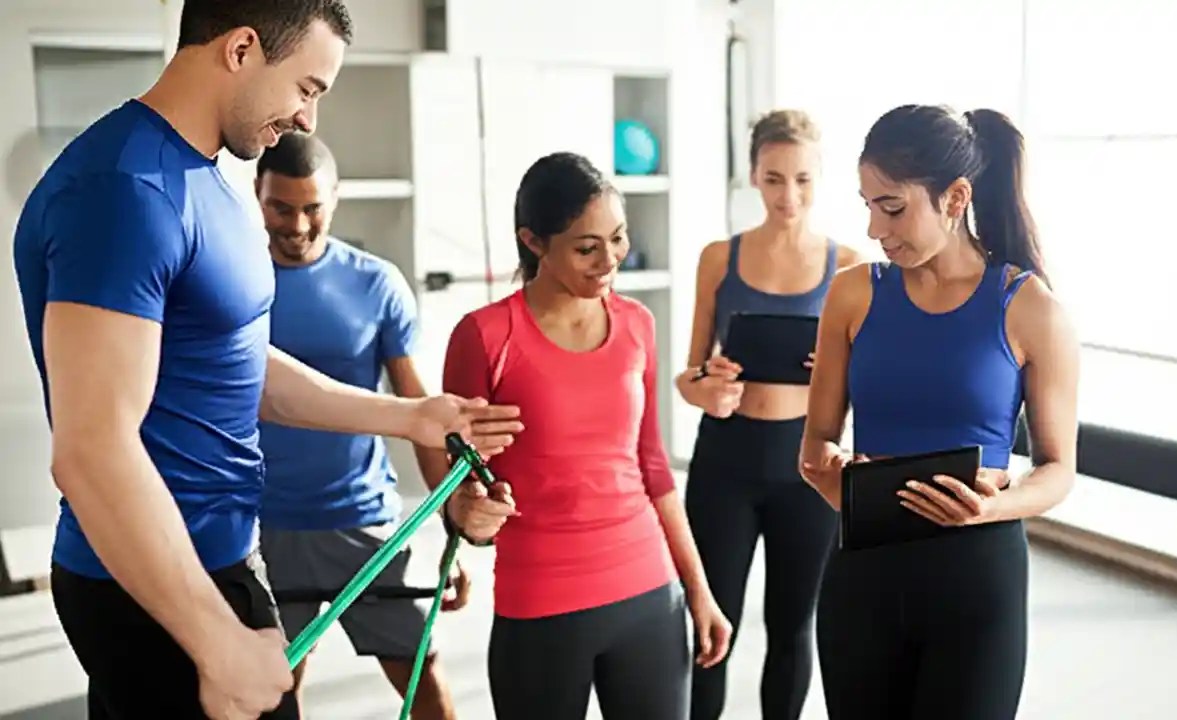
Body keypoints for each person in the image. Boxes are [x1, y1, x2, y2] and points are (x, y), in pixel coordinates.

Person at [10, 3, 520, 718]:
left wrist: (410, 416)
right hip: (152, 581)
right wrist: (213, 638)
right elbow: (92, 449)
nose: (309, 119)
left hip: (221, 557)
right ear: (242, 49)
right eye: (308, 87)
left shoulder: (208, 177)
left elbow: (238, 367)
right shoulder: (123, 192)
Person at [428, 151, 734, 720]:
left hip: (647, 592)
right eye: (586, 247)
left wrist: (699, 590)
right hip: (540, 601)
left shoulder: (638, 324)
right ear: (534, 241)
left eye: (617, 239)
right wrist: (466, 515)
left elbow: (654, 468)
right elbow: (460, 483)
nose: (609, 260)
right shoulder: (485, 336)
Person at [798, 104, 1080, 720]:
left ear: (955, 198)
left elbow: (1058, 469)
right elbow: (816, 444)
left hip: (977, 583)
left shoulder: (1031, 308)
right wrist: (837, 479)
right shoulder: (852, 292)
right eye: (868, 204)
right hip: (863, 576)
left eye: (892, 207)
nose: (875, 228)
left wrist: (993, 506)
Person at [252, 132, 471, 720]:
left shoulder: (377, 283)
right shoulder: (231, 281)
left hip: (362, 524)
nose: (297, 224)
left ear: (335, 200)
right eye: (281, 207)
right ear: (257, 194)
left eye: (312, 207)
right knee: (272, 696)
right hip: (260, 527)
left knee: (425, 684)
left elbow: (421, 413)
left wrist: (455, 531)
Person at [673, 109, 862, 720]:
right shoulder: (717, 259)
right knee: (709, 622)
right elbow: (689, 373)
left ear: (821, 178)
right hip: (725, 461)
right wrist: (708, 388)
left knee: (792, 626)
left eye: (803, 179)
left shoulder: (851, 265)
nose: (790, 195)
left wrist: (834, 370)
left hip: (807, 466)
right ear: (753, 176)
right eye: (775, 178)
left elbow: (868, 383)